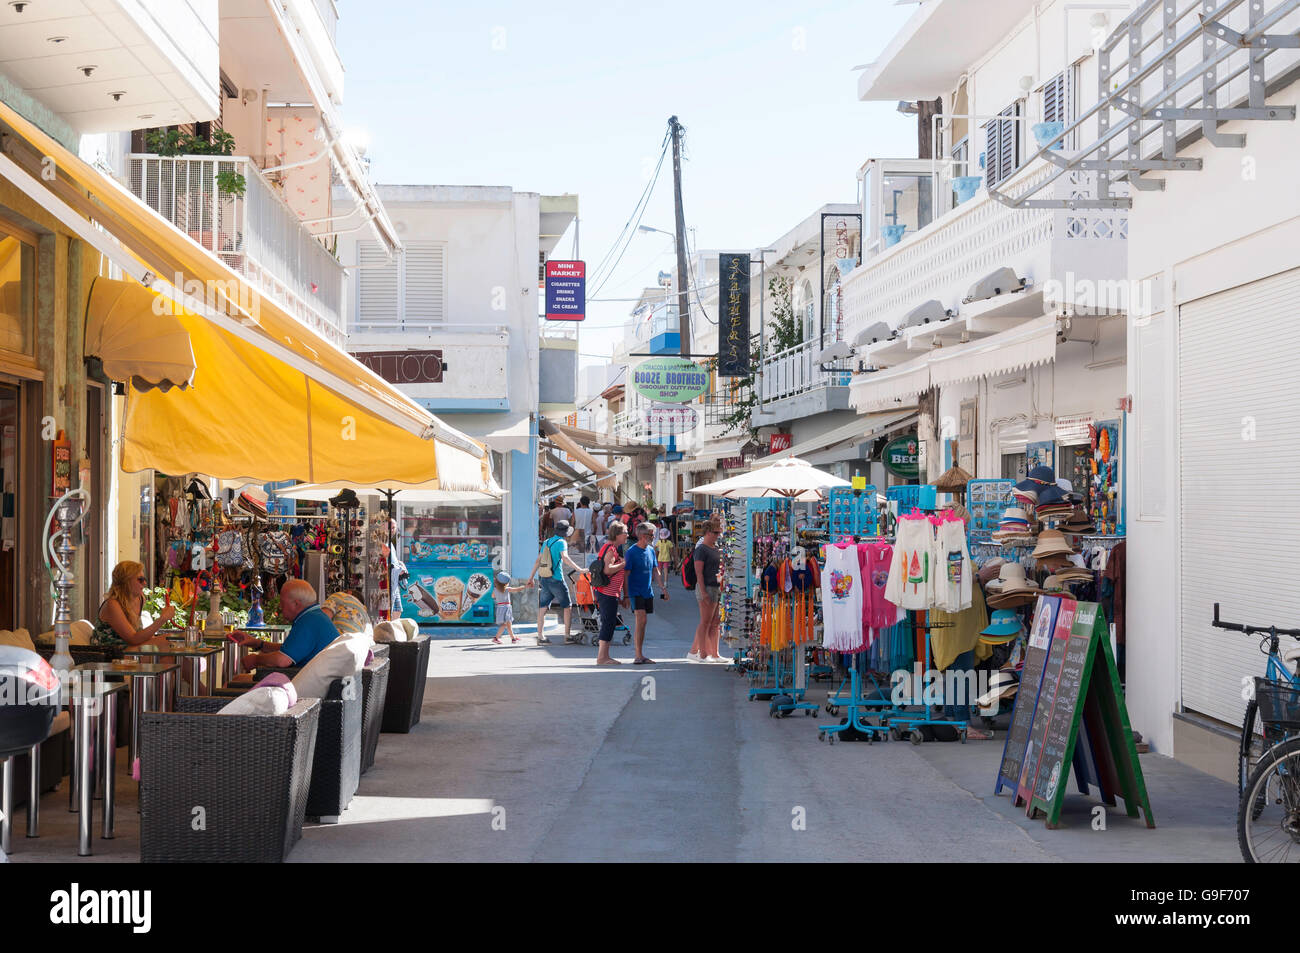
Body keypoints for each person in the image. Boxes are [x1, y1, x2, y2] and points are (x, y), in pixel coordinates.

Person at [237, 579, 340, 671]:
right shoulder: (314, 616)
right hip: (320, 682)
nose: (280, 606)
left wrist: (255, 660)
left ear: (296, 604)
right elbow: (289, 650)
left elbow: (282, 660)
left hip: (316, 688)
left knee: (237, 681)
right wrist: (258, 644)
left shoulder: (308, 620)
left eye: (282, 602)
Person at [526, 519, 586, 643]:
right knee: (567, 606)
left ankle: (540, 636)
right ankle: (567, 636)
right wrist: (579, 569)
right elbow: (565, 557)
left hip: (544, 578)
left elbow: (538, 560)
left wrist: (531, 577)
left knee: (542, 608)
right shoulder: (561, 542)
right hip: (556, 578)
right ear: (565, 532)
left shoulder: (547, 542)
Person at [93, 561, 176, 646]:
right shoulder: (112, 604)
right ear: (126, 581)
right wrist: (162, 619)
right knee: (167, 644)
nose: (144, 583)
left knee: (170, 643)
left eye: (144, 579)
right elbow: (133, 639)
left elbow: (138, 633)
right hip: (111, 653)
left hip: (131, 649)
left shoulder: (140, 599)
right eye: (140, 580)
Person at [688, 515, 726, 662]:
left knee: (715, 622)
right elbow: (699, 572)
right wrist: (703, 591)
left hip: (717, 587)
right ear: (708, 533)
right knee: (705, 621)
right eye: (716, 533)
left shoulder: (715, 548)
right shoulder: (701, 549)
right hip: (707, 587)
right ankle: (703, 654)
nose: (718, 535)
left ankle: (714, 653)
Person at [625, 522, 662, 664]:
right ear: (641, 535)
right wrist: (626, 595)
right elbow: (626, 574)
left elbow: (655, 570)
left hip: (647, 591)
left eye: (653, 534)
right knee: (641, 620)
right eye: (650, 535)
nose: (653, 537)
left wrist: (662, 587)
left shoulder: (651, 550)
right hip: (636, 591)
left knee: (643, 622)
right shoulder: (631, 552)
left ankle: (640, 654)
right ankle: (638, 655)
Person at [593, 520, 629, 665]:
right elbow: (607, 570)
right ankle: (602, 657)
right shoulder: (611, 549)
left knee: (609, 622)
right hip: (606, 593)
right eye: (625, 532)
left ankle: (604, 656)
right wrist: (623, 564)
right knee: (608, 623)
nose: (627, 535)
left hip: (609, 592)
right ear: (618, 535)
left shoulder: (611, 548)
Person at [492, 571, 531, 644]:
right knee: (506, 624)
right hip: (506, 607)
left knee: (508, 624)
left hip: (500, 607)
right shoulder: (507, 589)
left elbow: (493, 596)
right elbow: (517, 589)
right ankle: (496, 638)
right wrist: (526, 586)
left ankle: (512, 638)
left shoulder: (495, 590)